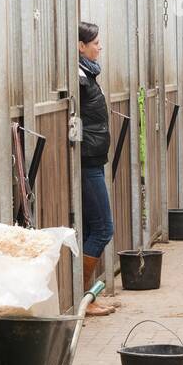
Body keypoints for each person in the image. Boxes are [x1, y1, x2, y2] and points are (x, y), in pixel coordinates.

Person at [78, 21, 118, 317]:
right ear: (81, 46)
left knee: (94, 228)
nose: (99, 47)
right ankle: (82, 297)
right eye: (95, 43)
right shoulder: (80, 77)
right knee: (104, 228)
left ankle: (87, 297)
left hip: (93, 158)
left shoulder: (88, 74)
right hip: (87, 162)